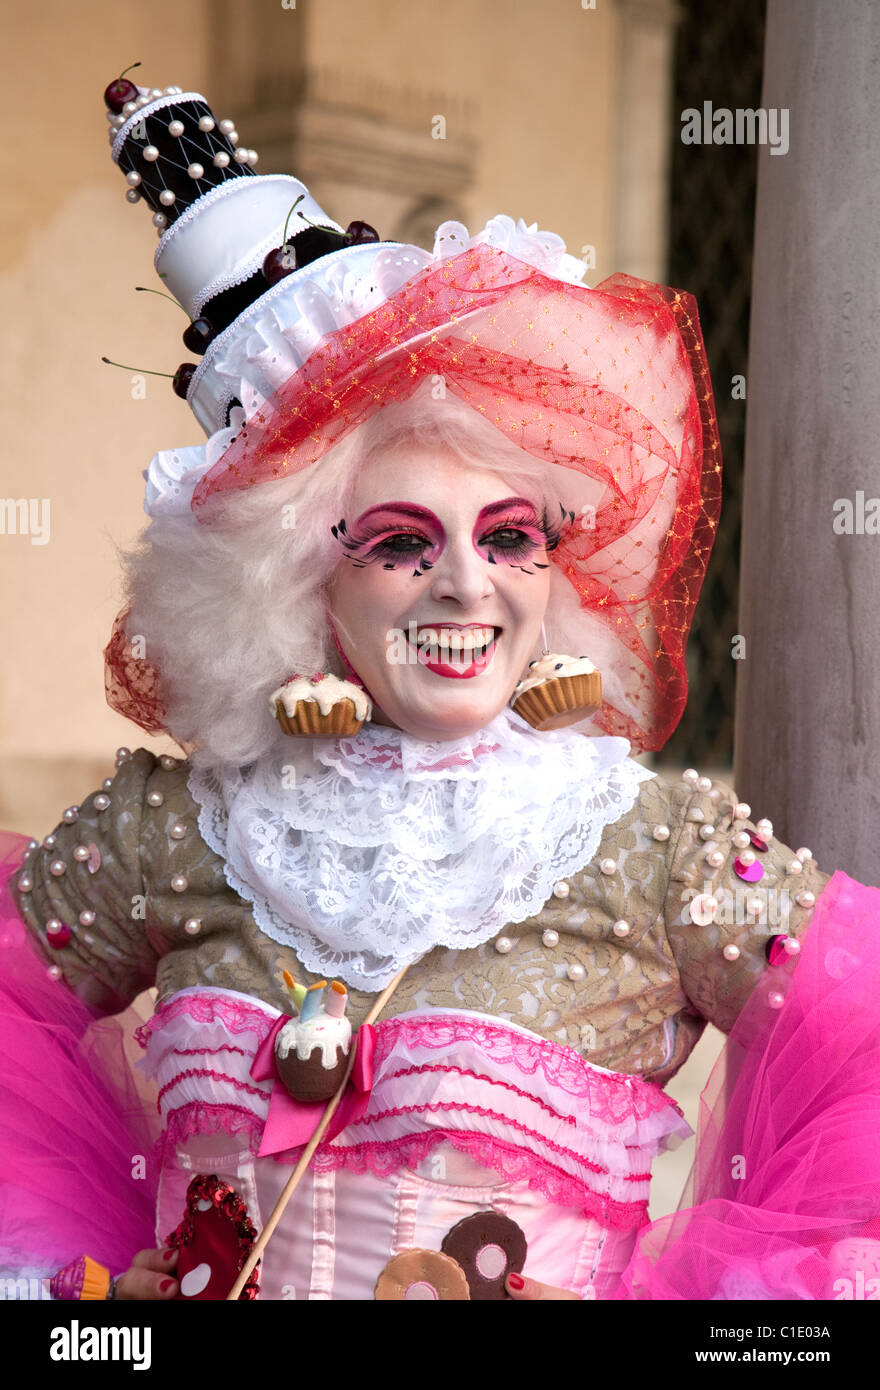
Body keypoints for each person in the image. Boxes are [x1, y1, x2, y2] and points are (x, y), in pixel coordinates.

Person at [1, 70, 878, 1303]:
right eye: (404, 543)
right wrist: (67, 1297)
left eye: (510, 537)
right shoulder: (168, 832)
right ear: (297, 581)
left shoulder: (653, 848)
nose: (467, 588)